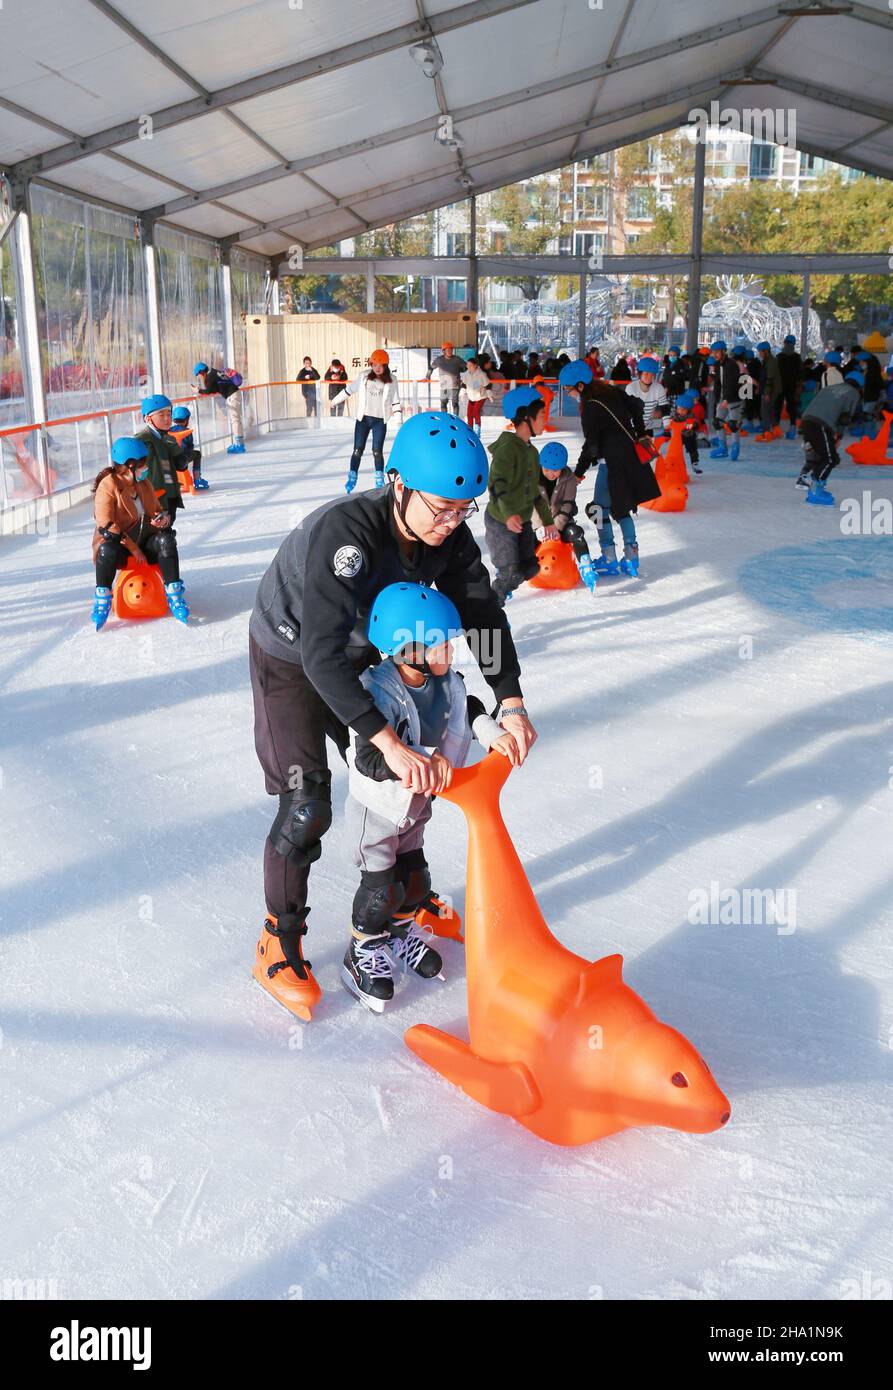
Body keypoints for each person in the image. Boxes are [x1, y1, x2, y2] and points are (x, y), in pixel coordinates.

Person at [248, 411, 536, 1021]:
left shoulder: (449, 539)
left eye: (464, 510)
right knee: (307, 803)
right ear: (399, 483)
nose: (453, 523)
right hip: (293, 654)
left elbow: (482, 617)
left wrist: (508, 699)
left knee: (417, 776)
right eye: (441, 509)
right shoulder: (347, 535)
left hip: (371, 654)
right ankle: (279, 937)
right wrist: (385, 739)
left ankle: (406, 894)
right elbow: (320, 656)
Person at [342, 583, 517, 1011]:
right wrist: (417, 759)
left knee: (416, 883)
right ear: (408, 650)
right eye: (441, 646)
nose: (451, 654)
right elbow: (366, 757)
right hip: (380, 811)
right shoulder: (376, 692)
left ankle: (400, 932)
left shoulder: (444, 681)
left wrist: (492, 730)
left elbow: (467, 703)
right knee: (382, 889)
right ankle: (361, 949)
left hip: (418, 809)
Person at [559, 358, 659, 578]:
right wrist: (640, 433)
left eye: (569, 389)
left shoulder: (591, 407)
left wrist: (578, 474)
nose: (569, 393)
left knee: (597, 509)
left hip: (611, 465)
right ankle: (632, 558)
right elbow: (636, 406)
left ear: (580, 386)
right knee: (622, 508)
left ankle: (609, 558)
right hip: (631, 460)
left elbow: (591, 446)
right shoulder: (611, 391)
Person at [90, 436, 188, 630]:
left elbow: (157, 510)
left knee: (166, 541)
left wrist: (162, 519)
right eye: (143, 464)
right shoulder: (108, 485)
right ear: (130, 465)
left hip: (145, 538)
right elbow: (106, 524)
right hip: (120, 546)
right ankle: (103, 599)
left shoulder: (143, 483)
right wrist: (134, 549)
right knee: (106, 550)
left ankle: (174, 594)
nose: (146, 468)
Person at [484, 386, 557, 605]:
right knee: (511, 573)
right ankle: (490, 607)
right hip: (501, 521)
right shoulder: (508, 449)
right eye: (542, 415)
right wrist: (508, 515)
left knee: (531, 567)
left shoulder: (532, 452)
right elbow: (496, 486)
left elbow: (534, 492)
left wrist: (548, 522)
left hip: (522, 521)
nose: (545, 419)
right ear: (526, 417)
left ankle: (500, 595)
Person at [330, 348, 402, 492]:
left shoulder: (392, 380)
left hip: (380, 421)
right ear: (371, 364)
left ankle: (379, 479)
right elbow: (349, 390)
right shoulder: (364, 376)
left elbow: (395, 401)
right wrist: (334, 401)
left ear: (386, 365)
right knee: (357, 450)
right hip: (363, 419)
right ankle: (352, 477)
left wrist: (399, 421)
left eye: (380, 365)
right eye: (374, 365)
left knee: (377, 451)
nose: (377, 368)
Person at [537, 440, 598, 591]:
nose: (550, 473)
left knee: (576, 533)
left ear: (562, 467)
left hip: (561, 522)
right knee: (522, 536)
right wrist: (540, 526)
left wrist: (556, 527)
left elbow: (568, 504)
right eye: (546, 469)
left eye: (555, 470)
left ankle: (585, 565)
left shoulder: (569, 479)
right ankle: (518, 569)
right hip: (539, 523)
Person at [796, 371, 864, 502]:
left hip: (807, 421)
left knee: (820, 456)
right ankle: (815, 491)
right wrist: (839, 437)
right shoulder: (853, 393)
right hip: (820, 424)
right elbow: (845, 417)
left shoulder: (829, 388)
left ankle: (816, 487)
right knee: (830, 458)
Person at [135, 394, 186, 518]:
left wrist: (174, 447)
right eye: (161, 415)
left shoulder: (168, 439)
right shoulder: (142, 441)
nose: (167, 419)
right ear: (148, 419)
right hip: (155, 500)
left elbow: (182, 465)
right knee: (160, 536)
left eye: (169, 414)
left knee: (168, 530)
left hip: (171, 495)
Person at [193, 361, 245, 454]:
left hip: (232, 396)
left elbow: (208, 391)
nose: (199, 377)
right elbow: (215, 388)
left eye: (199, 375)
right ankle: (239, 443)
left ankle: (239, 445)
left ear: (201, 372)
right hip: (234, 394)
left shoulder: (210, 376)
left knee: (235, 420)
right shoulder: (214, 372)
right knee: (236, 419)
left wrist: (198, 390)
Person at [707, 341, 744, 461]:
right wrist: (718, 397)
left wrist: (727, 399)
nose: (715, 355)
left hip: (733, 398)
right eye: (714, 353)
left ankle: (735, 447)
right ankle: (723, 447)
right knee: (717, 422)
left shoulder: (732, 364)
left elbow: (732, 383)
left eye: (717, 352)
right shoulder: (718, 365)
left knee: (733, 424)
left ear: (723, 352)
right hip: (723, 399)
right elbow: (718, 383)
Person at [626, 356, 669, 437]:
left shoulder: (659, 388)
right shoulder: (631, 388)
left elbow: (665, 409)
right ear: (640, 373)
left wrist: (667, 427)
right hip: (632, 427)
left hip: (649, 426)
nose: (649, 377)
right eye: (646, 374)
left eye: (652, 375)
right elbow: (631, 413)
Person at [168, 405, 208, 489]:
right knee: (197, 454)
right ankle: (197, 479)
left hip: (170, 458)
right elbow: (190, 447)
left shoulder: (169, 430)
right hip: (183, 459)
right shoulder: (187, 431)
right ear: (187, 419)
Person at [423, 341, 465, 415]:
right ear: (444, 351)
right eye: (448, 350)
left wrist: (459, 370)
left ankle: (455, 419)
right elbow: (431, 368)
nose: (450, 351)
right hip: (444, 386)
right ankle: (444, 418)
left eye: (451, 350)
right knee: (443, 403)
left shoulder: (457, 359)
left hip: (455, 385)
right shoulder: (439, 360)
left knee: (455, 403)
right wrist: (427, 377)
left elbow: (465, 367)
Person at [754, 342, 782, 442]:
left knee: (765, 411)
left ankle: (767, 432)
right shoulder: (767, 361)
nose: (759, 354)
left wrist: (766, 392)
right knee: (770, 411)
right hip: (770, 390)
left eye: (760, 352)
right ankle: (776, 430)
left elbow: (769, 378)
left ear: (766, 351)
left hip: (771, 391)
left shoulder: (770, 362)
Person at [671, 390, 703, 475]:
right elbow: (671, 422)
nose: (680, 411)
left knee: (692, 449)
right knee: (675, 450)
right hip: (678, 436)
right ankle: (674, 463)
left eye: (683, 410)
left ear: (688, 410)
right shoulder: (675, 415)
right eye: (679, 409)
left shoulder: (691, 416)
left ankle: (695, 463)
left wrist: (692, 425)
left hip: (689, 435)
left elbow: (694, 424)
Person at [461, 355, 494, 435]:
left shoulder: (481, 374)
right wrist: (462, 394)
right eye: (467, 365)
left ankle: (478, 428)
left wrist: (490, 396)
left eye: (470, 365)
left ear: (475, 365)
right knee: (469, 414)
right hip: (471, 397)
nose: (468, 367)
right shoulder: (466, 374)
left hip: (481, 396)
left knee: (476, 412)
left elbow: (488, 385)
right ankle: (470, 430)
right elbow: (464, 385)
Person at [776, 334, 802, 438]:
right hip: (790, 386)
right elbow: (800, 373)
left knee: (780, 407)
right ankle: (791, 427)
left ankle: (777, 428)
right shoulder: (797, 358)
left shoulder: (779, 357)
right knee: (790, 407)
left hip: (784, 386)